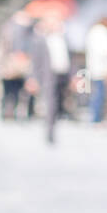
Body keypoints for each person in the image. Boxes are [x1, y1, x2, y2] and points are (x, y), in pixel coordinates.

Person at [29, 10, 71, 145]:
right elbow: (35, 62)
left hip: (63, 74)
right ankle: (50, 131)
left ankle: (55, 125)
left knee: (60, 103)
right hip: (48, 75)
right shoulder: (40, 40)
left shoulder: (64, 38)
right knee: (50, 103)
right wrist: (33, 78)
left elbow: (71, 58)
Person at [0, 7, 36, 120]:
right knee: (10, 89)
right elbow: (6, 46)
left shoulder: (28, 28)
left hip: (22, 63)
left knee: (20, 89)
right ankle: (8, 111)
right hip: (11, 63)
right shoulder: (11, 28)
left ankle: (13, 111)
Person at [84, 16, 107, 123]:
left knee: (96, 94)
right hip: (101, 69)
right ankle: (97, 119)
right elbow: (106, 50)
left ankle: (96, 117)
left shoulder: (92, 32)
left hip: (93, 67)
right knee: (100, 95)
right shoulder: (101, 32)